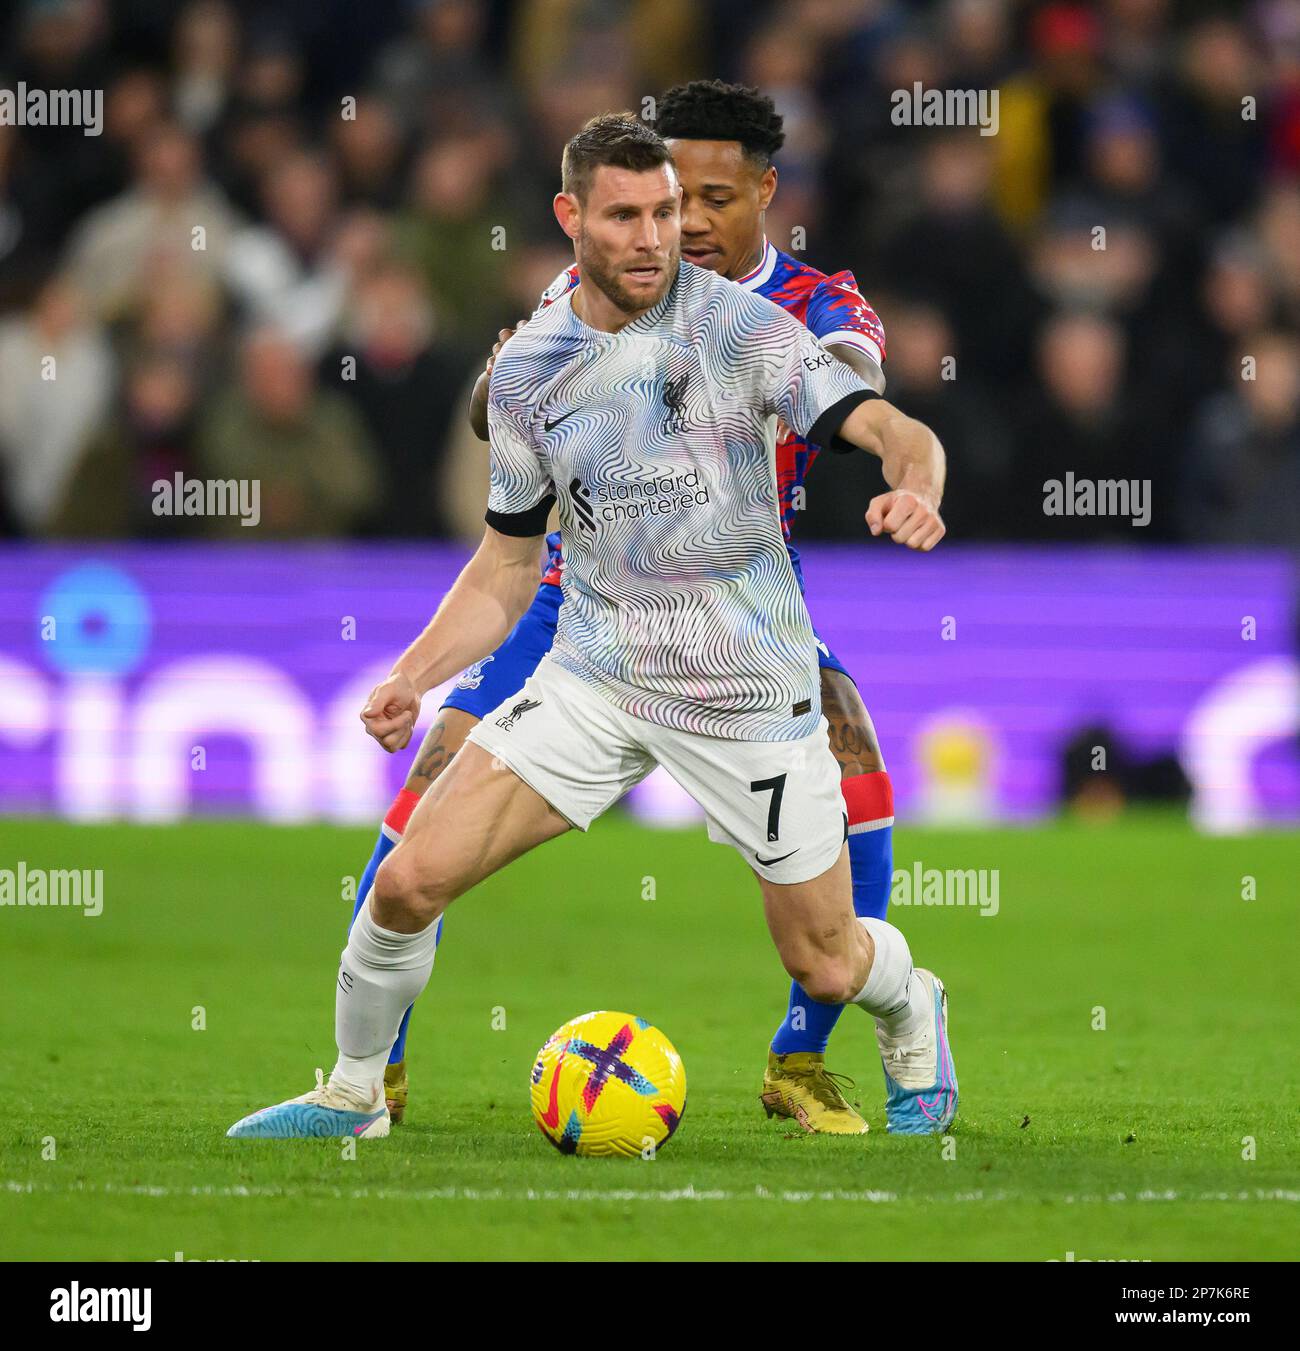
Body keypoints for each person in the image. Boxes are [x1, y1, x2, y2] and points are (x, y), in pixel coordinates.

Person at [229, 112, 956, 1143]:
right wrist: (413, 673)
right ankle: (352, 1094)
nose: (658, 236)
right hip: (596, 670)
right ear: (571, 218)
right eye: (629, 215)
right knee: (405, 880)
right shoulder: (531, 367)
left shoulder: (746, 328)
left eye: (667, 212)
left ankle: (907, 998)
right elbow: (507, 563)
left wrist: (915, 478)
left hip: (741, 681)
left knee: (827, 957)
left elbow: (884, 424)